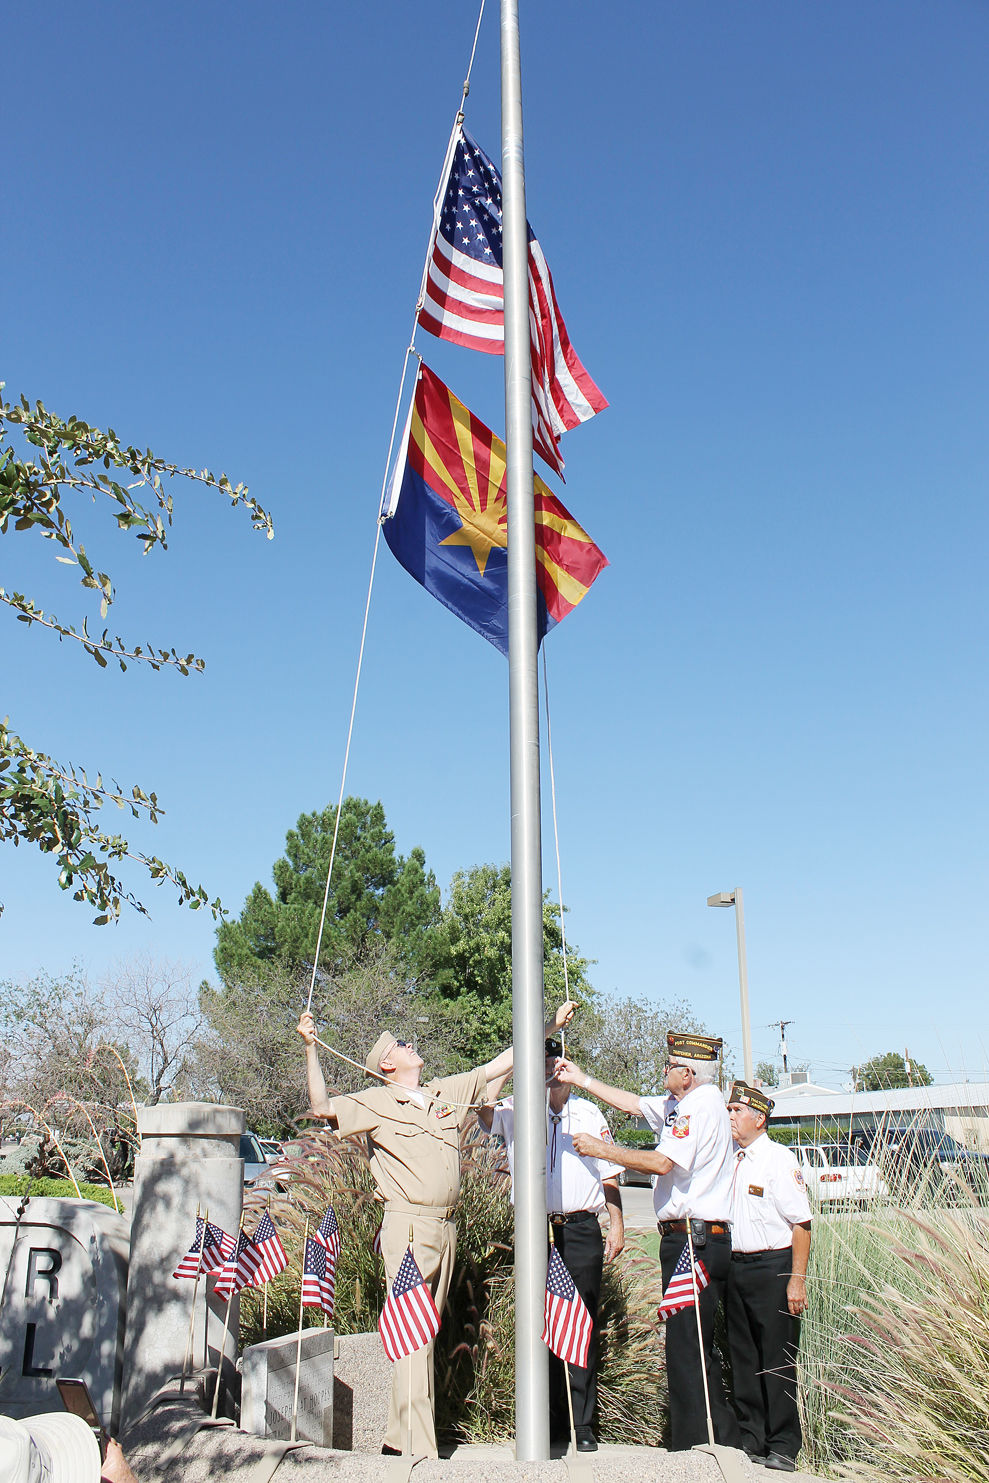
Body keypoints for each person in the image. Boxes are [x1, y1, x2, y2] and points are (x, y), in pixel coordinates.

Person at [297, 1000, 576, 1458]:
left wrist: (550, 1025)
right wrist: (310, 1048)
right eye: (402, 1045)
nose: (412, 1045)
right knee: (414, 1334)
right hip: (407, 1228)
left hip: (444, 1228)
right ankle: (419, 1451)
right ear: (387, 1063)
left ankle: (395, 1438)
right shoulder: (377, 1102)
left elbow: (500, 1064)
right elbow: (322, 1107)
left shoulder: (443, 1091)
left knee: (423, 1334)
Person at [557, 1032, 741, 1452]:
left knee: (689, 1346)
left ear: (688, 1074)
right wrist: (584, 1080)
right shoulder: (687, 1103)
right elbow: (635, 1104)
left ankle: (703, 1445)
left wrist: (603, 1149)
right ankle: (707, 1440)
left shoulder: (698, 1107)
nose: (664, 1071)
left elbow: (661, 1162)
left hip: (693, 1242)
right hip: (688, 1240)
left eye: (670, 1066)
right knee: (686, 1343)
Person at [478, 1036, 625, 1454]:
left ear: (566, 1065)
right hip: (533, 1229)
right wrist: (511, 1067)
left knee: (580, 1326)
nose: (548, 1069)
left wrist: (615, 1225)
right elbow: (485, 1112)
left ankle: (583, 1424)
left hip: (579, 1229)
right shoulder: (518, 1106)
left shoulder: (588, 1112)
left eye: (554, 1061)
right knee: (537, 1325)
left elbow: (609, 1174)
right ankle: (548, 1421)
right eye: (540, 1062)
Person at [725, 1082, 812, 1472]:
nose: (730, 1116)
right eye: (728, 1110)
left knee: (776, 1360)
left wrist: (797, 1279)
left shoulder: (778, 1159)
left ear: (759, 1118)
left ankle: (783, 1444)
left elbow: (801, 1224)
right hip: (736, 1267)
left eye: (736, 1111)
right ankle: (752, 1438)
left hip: (772, 1267)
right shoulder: (731, 1158)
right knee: (743, 1358)